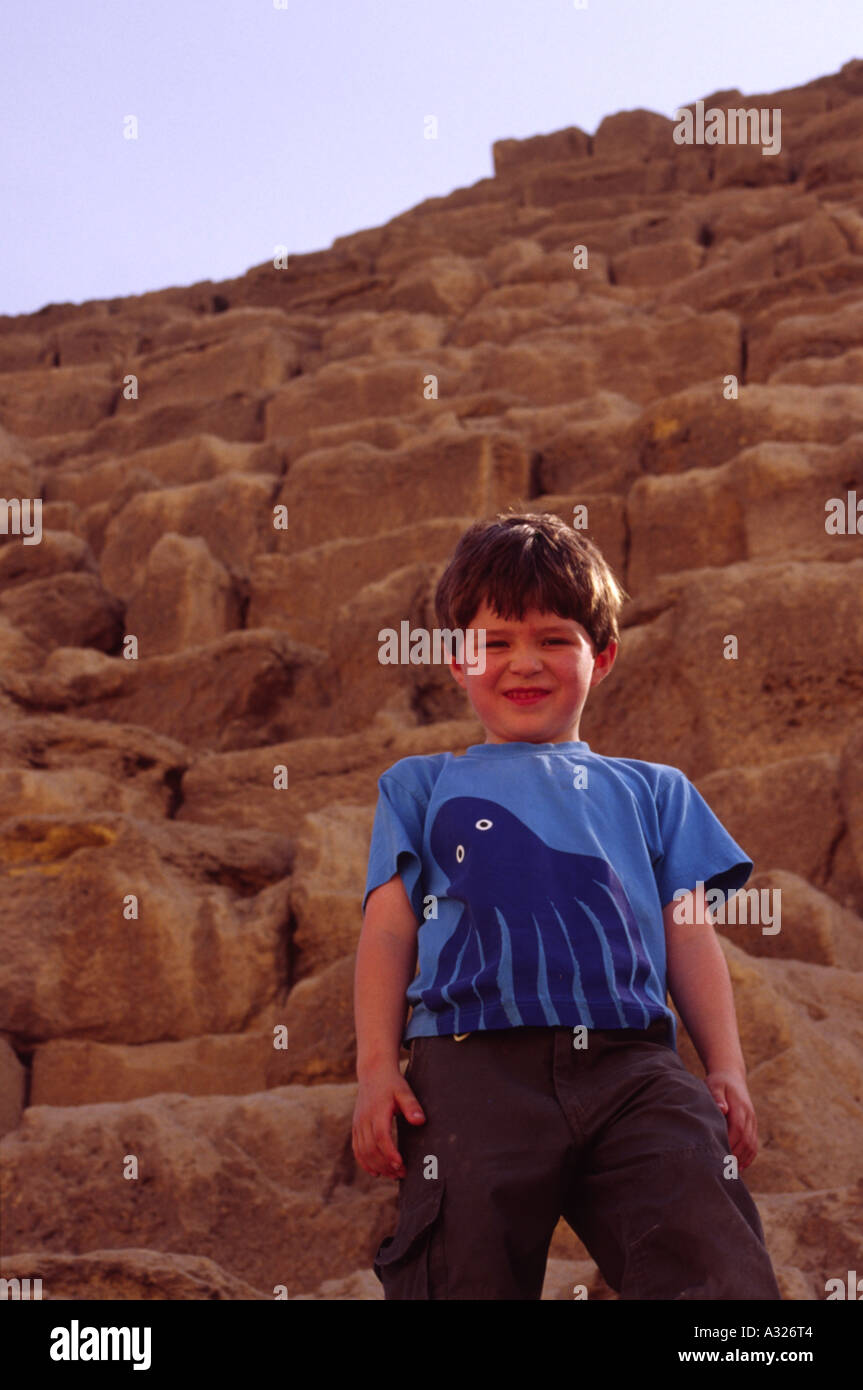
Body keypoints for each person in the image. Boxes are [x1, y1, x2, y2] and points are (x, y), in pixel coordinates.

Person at [352, 511, 781, 1301]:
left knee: (717, 1265)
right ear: (455, 661)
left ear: (603, 656)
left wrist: (725, 1068)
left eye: (553, 639)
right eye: (495, 642)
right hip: (468, 1063)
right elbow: (387, 932)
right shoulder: (417, 787)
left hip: (634, 1067)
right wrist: (377, 1069)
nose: (524, 663)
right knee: (459, 1273)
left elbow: (689, 940)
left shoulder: (655, 792)